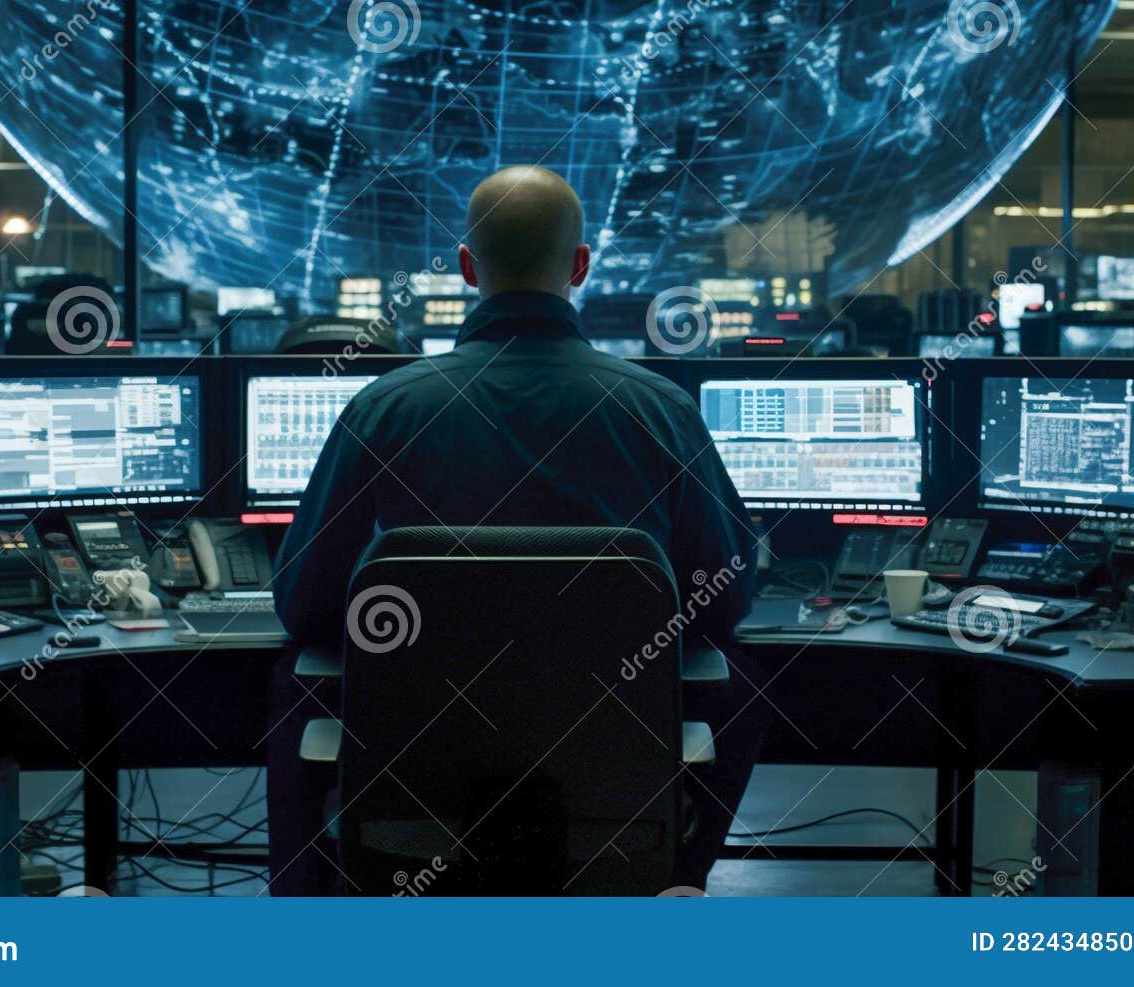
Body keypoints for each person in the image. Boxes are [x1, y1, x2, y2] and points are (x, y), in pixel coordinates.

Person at [268, 164, 767, 893]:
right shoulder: (663, 412)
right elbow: (724, 601)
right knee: (744, 687)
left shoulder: (383, 409)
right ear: (581, 266)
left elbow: (303, 605)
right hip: (609, 783)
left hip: (419, 773)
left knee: (293, 680)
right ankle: (668, 881)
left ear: (468, 268)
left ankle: (313, 923)